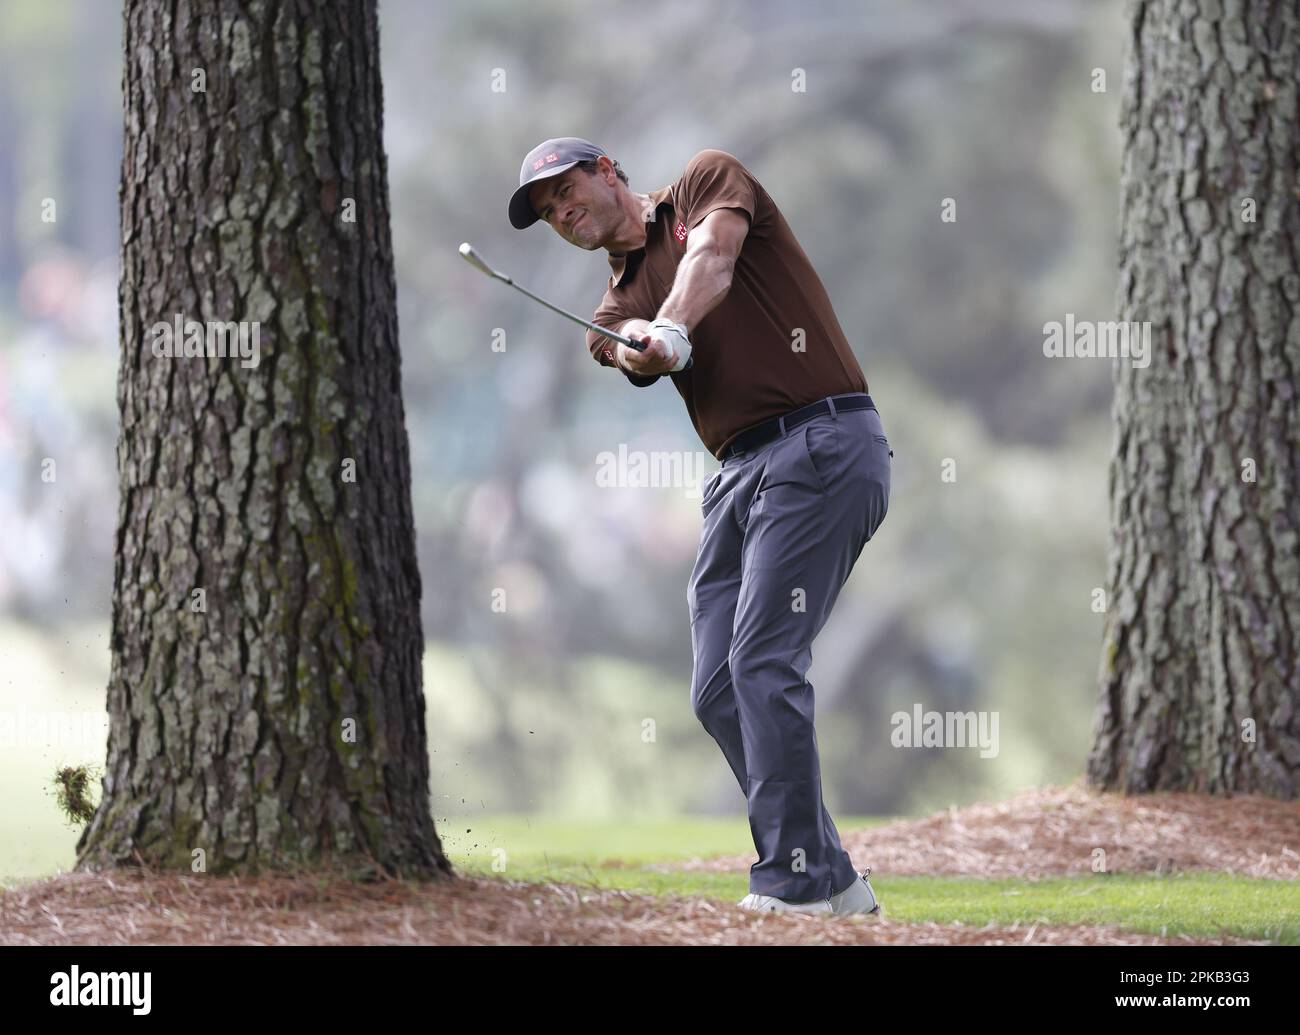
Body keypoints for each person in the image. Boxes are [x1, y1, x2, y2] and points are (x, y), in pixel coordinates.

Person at [508, 137, 891, 917]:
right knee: (719, 684)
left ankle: (792, 885)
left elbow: (712, 258)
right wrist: (648, 352)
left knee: (761, 660)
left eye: (567, 188)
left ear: (608, 169)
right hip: (737, 475)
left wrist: (675, 326)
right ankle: (835, 879)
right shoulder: (610, 313)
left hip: (821, 440)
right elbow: (633, 358)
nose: (562, 210)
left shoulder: (705, 183)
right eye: (547, 211)